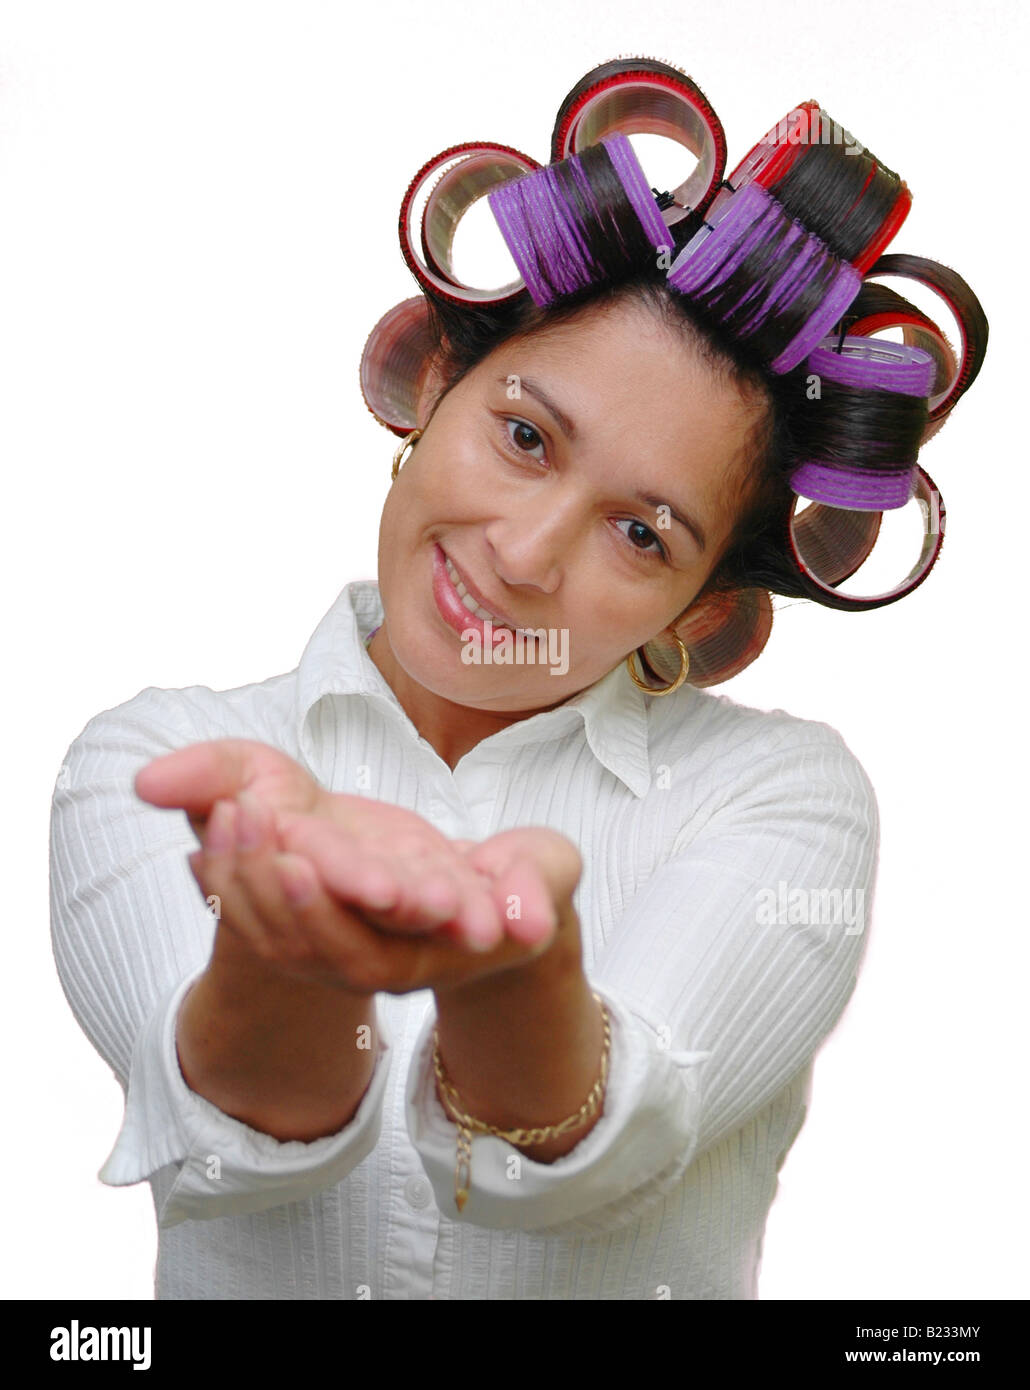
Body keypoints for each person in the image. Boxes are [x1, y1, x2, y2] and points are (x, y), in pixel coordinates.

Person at [49, 56, 987, 1300]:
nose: (524, 554)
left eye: (641, 532)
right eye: (526, 437)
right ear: (438, 389)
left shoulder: (780, 795)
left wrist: (512, 973)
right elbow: (224, 1149)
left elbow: (619, 1144)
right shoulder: (152, 762)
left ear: (702, 606)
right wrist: (297, 955)